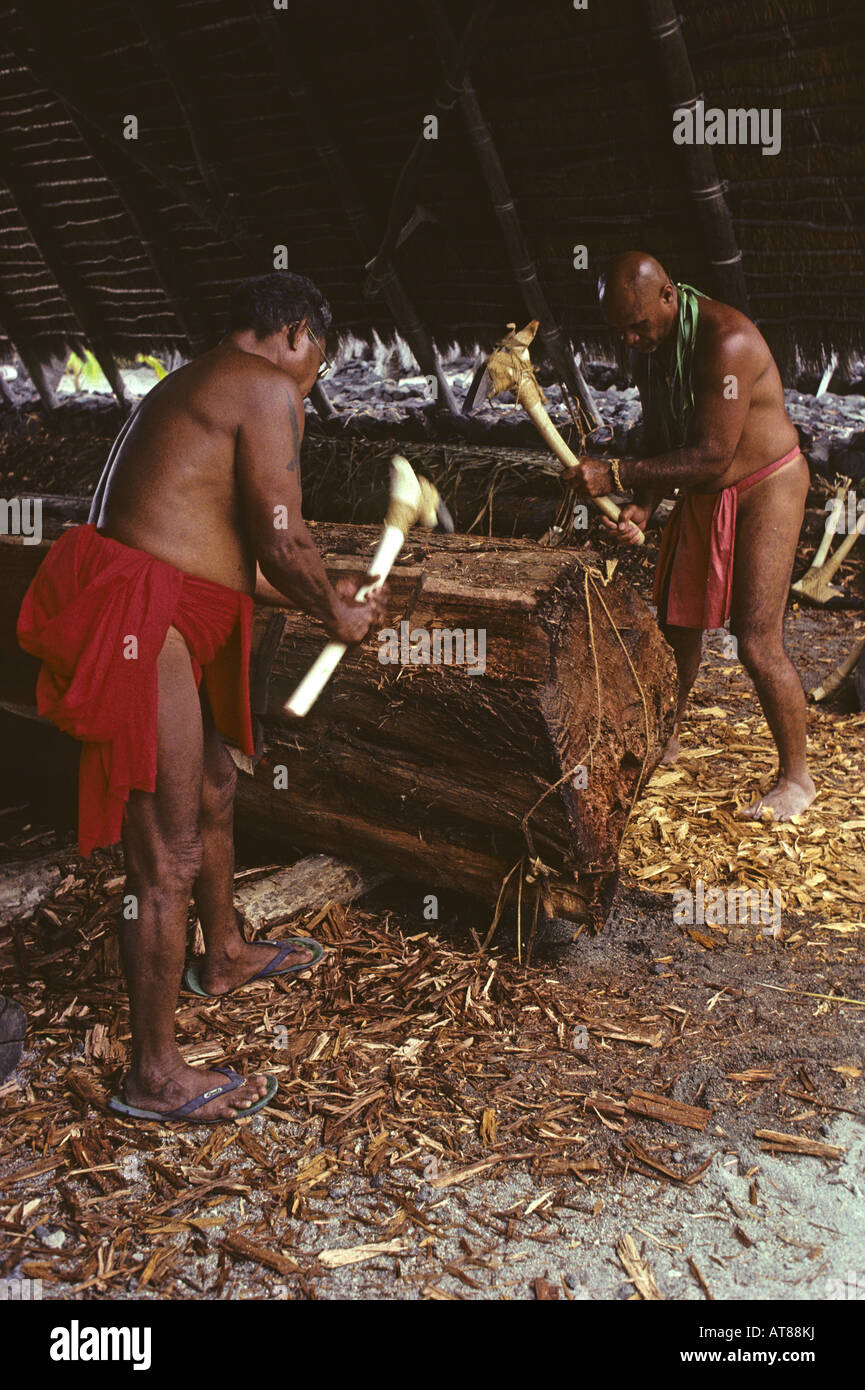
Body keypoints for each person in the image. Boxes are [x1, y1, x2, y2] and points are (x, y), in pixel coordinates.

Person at [17, 272, 388, 1121]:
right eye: (317, 365)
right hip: (144, 619)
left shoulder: (194, 383)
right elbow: (280, 532)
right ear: (297, 331)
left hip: (159, 604)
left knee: (215, 787)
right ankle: (152, 1075)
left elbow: (231, 548)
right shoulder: (263, 384)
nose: (313, 384)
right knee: (166, 854)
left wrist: (328, 592)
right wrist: (332, 603)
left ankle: (220, 954)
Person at [569, 251, 814, 821]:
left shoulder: (727, 343)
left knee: (756, 641)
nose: (629, 339)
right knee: (676, 625)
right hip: (708, 490)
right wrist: (643, 507)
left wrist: (618, 475)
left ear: (668, 296)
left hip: (766, 485)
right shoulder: (654, 346)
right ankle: (667, 739)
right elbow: (663, 433)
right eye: (619, 330)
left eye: (637, 324)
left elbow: (710, 454)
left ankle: (797, 780)